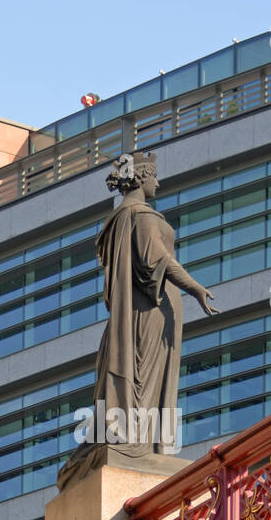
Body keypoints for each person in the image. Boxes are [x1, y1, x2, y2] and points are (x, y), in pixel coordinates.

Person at [91, 150, 218, 458]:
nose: (158, 184)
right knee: (146, 378)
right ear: (143, 177)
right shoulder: (142, 217)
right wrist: (195, 287)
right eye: (155, 177)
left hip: (131, 314)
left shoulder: (117, 220)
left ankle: (138, 439)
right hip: (152, 313)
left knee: (140, 376)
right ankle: (143, 445)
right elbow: (157, 260)